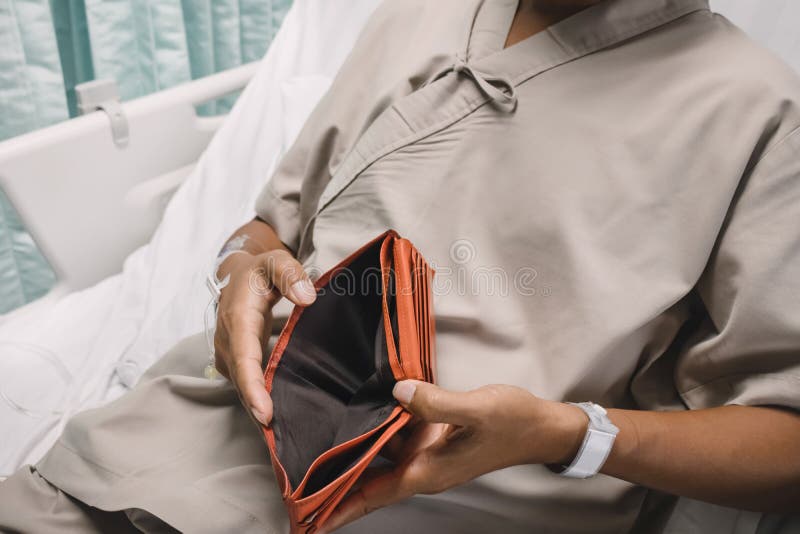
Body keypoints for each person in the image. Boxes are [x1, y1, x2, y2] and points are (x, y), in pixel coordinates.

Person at [2, 0, 799, 532]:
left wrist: (565, 433)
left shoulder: (757, 112)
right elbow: (265, 232)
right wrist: (238, 275)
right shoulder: (423, 10)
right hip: (199, 440)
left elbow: (783, 437)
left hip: (462, 503)